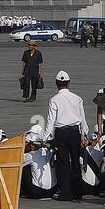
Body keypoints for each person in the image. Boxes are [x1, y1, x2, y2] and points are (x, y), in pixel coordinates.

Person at [43, 71, 88, 201]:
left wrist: (46, 137)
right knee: (76, 161)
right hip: (74, 132)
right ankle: (78, 192)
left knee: (63, 164)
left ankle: (66, 194)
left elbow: (51, 120)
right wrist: (84, 134)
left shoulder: (54, 100)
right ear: (69, 83)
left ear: (57, 84)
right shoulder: (77, 98)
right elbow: (82, 118)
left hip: (61, 133)